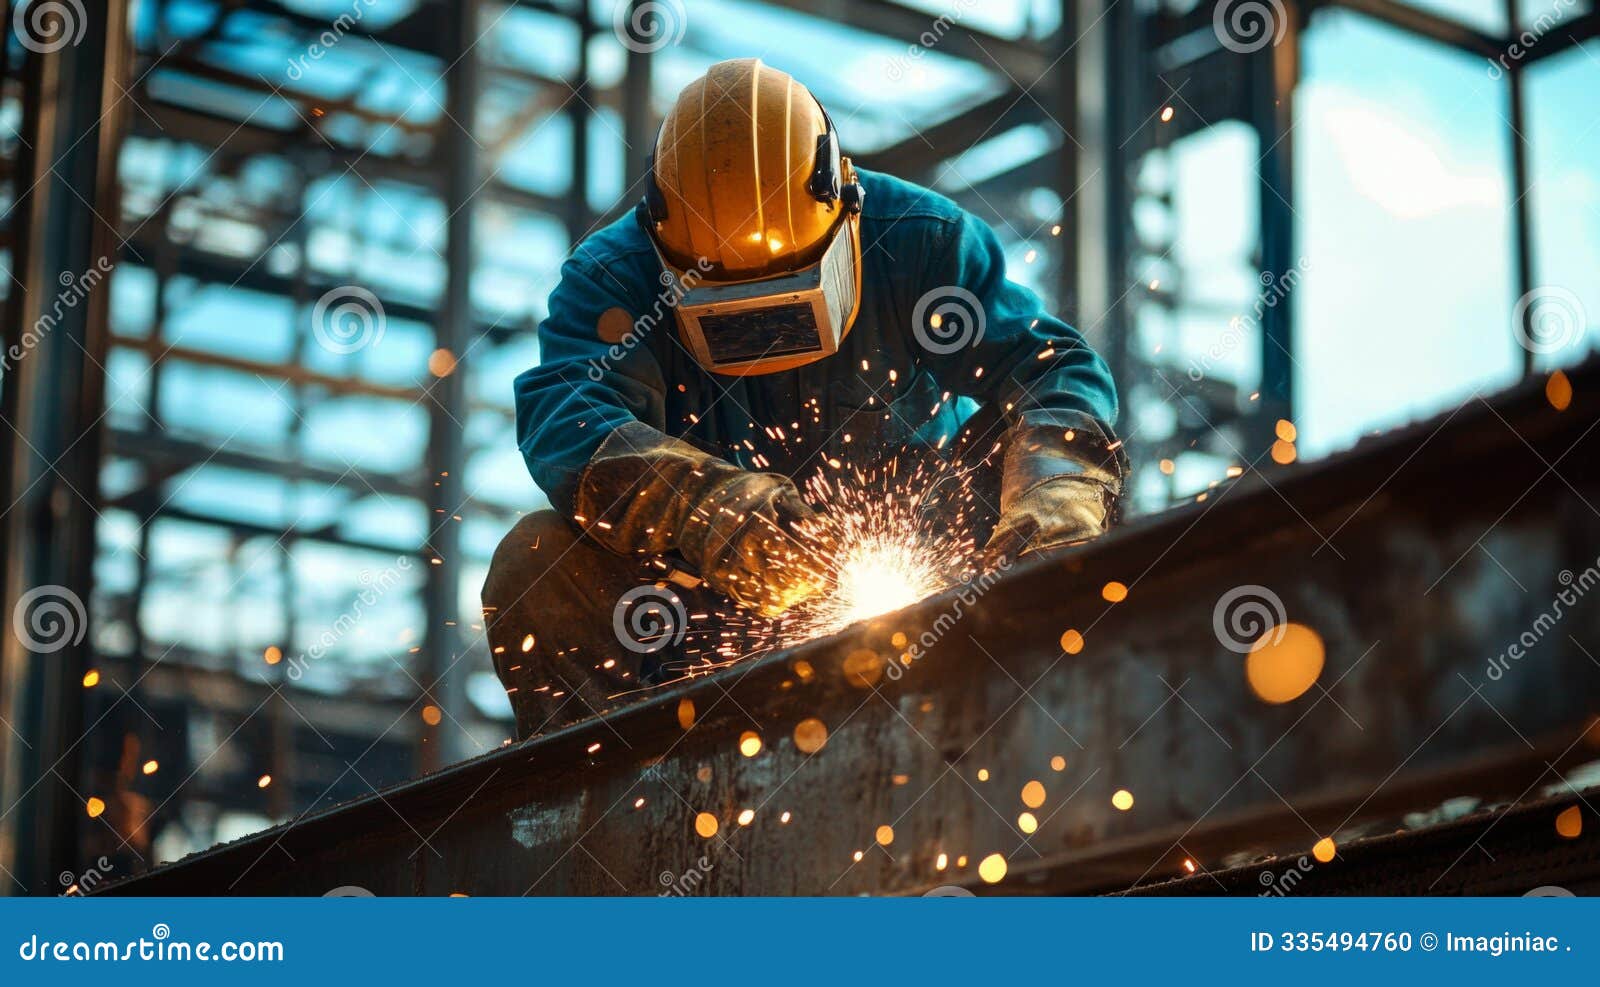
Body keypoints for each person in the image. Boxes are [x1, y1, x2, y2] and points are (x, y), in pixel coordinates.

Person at [482, 58, 1124, 739]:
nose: (765, 332)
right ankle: (625, 806)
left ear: (845, 211)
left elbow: (1053, 370)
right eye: (733, 311)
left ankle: (1040, 731)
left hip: (940, 591)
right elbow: (568, 416)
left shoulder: (920, 242)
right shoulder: (616, 279)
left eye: (785, 300)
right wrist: (703, 509)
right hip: (704, 611)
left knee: (1048, 462)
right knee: (539, 562)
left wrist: (1053, 508)